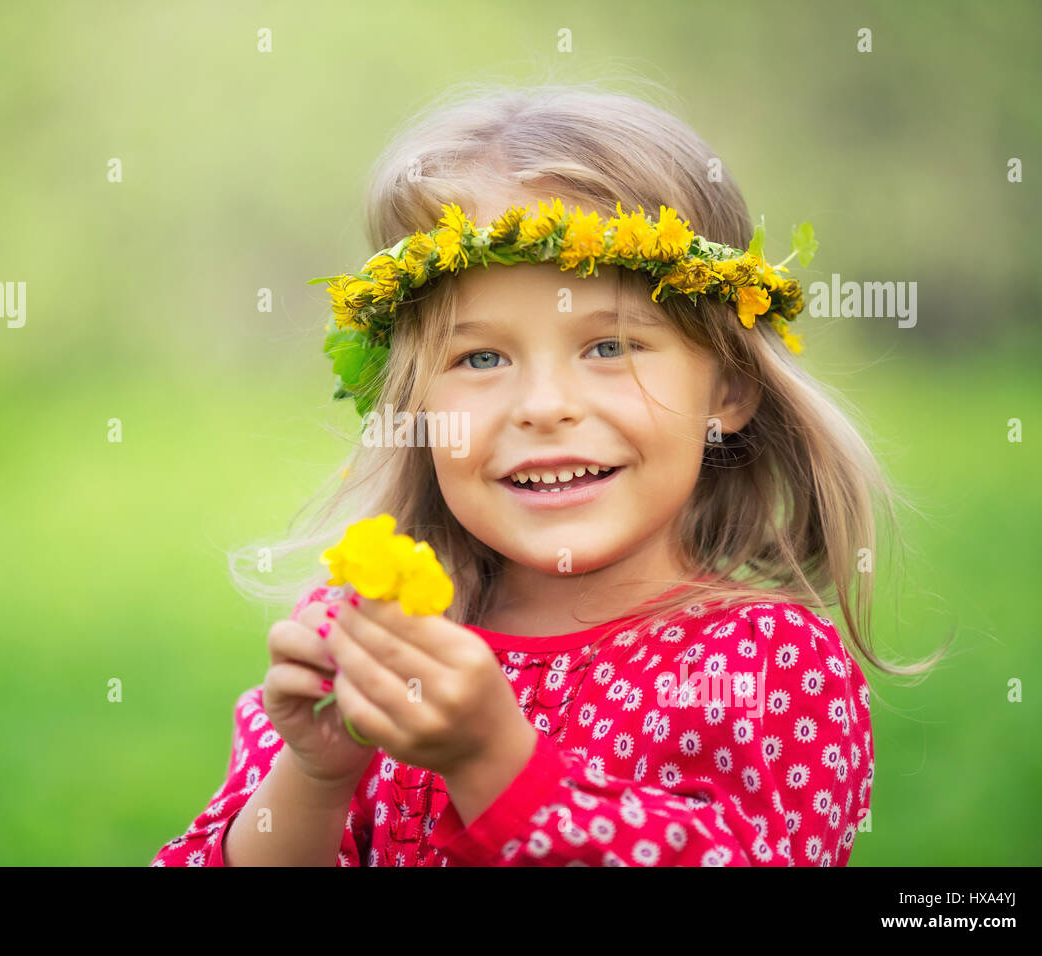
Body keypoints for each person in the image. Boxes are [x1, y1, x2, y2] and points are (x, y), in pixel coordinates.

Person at [151, 82, 945, 867]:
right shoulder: (378, 646)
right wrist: (316, 781)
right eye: (482, 357)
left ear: (727, 389)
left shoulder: (764, 664)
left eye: (609, 347)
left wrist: (495, 762)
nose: (542, 406)